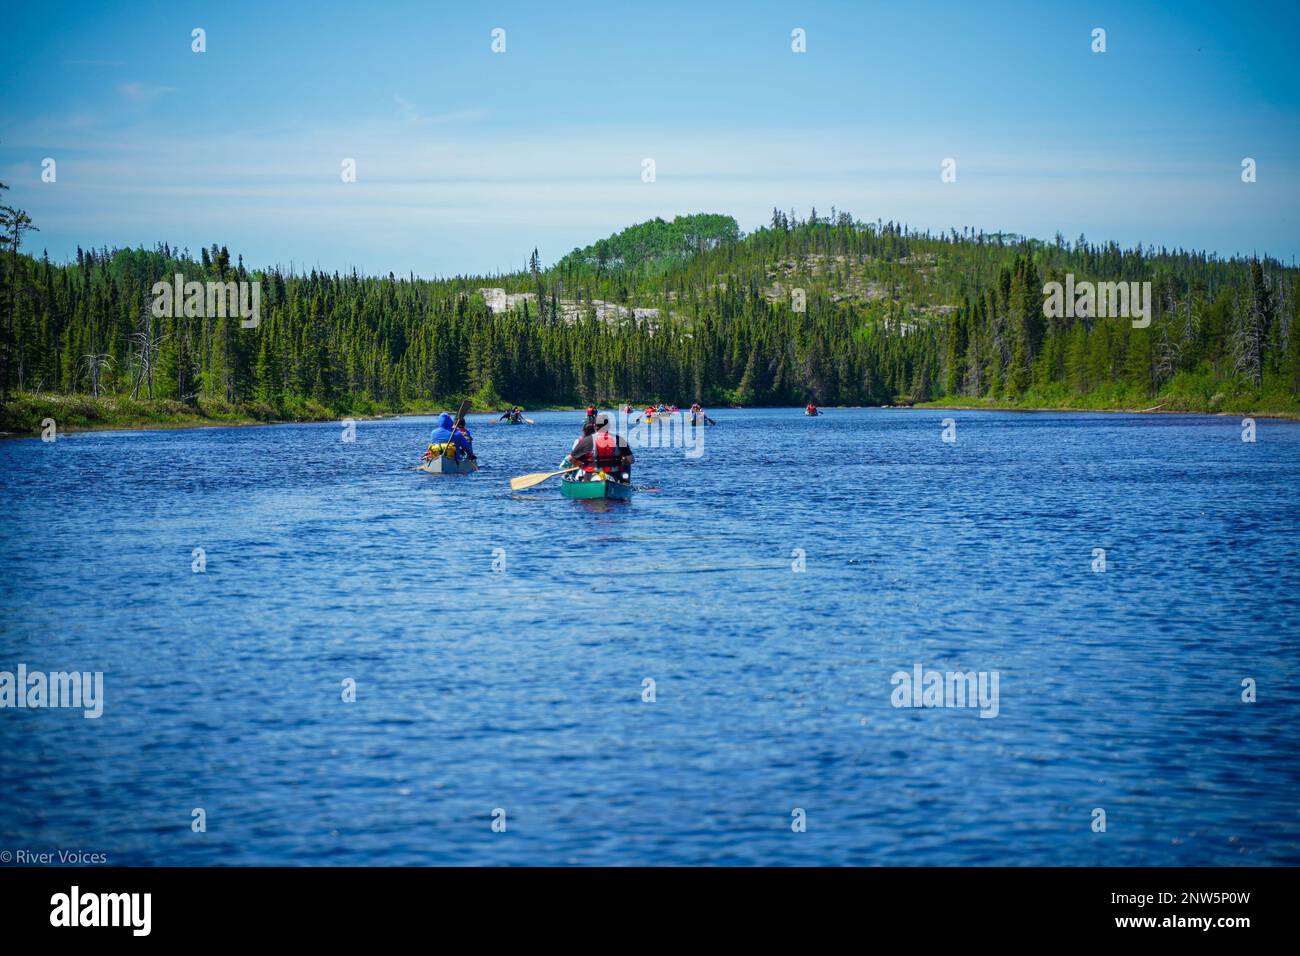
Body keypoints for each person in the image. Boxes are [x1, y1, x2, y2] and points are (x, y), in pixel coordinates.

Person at [562, 413, 633, 482]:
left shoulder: (586, 441)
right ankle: (625, 482)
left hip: (590, 476)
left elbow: (570, 459)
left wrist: (580, 465)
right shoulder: (620, 440)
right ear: (608, 426)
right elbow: (631, 460)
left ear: (594, 426)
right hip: (614, 476)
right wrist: (623, 461)